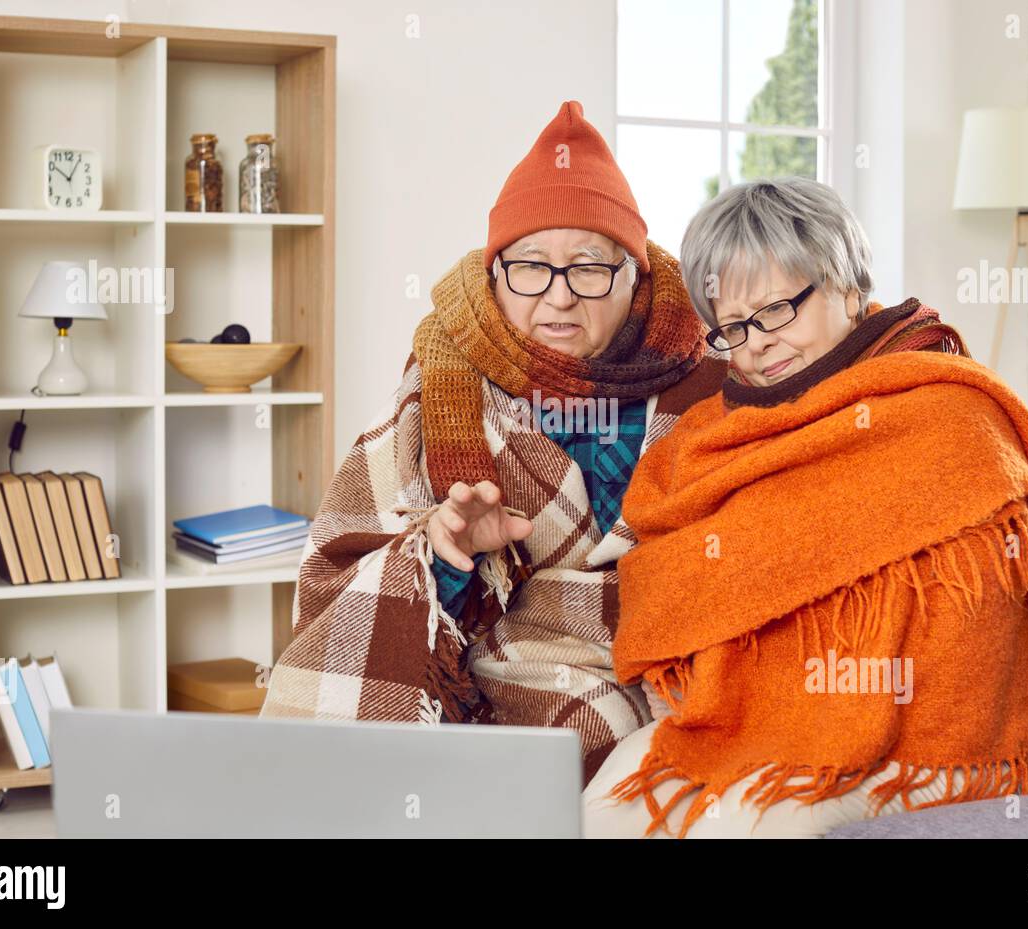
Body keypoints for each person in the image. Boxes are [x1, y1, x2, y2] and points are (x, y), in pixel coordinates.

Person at [583, 178, 1028, 838]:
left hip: (931, 741)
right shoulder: (716, 434)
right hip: (759, 717)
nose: (757, 344)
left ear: (848, 285)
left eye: (778, 309)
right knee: (606, 800)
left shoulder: (949, 416)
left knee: (743, 824)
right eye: (734, 327)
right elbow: (675, 575)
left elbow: (972, 630)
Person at [259, 100, 727, 783]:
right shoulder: (446, 374)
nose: (559, 297)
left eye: (589, 268)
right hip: (496, 661)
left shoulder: (708, 378)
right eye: (530, 266)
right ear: (495, 275)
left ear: (637, 276)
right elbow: (344, 566)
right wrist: (447, 549)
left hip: (673, 656)